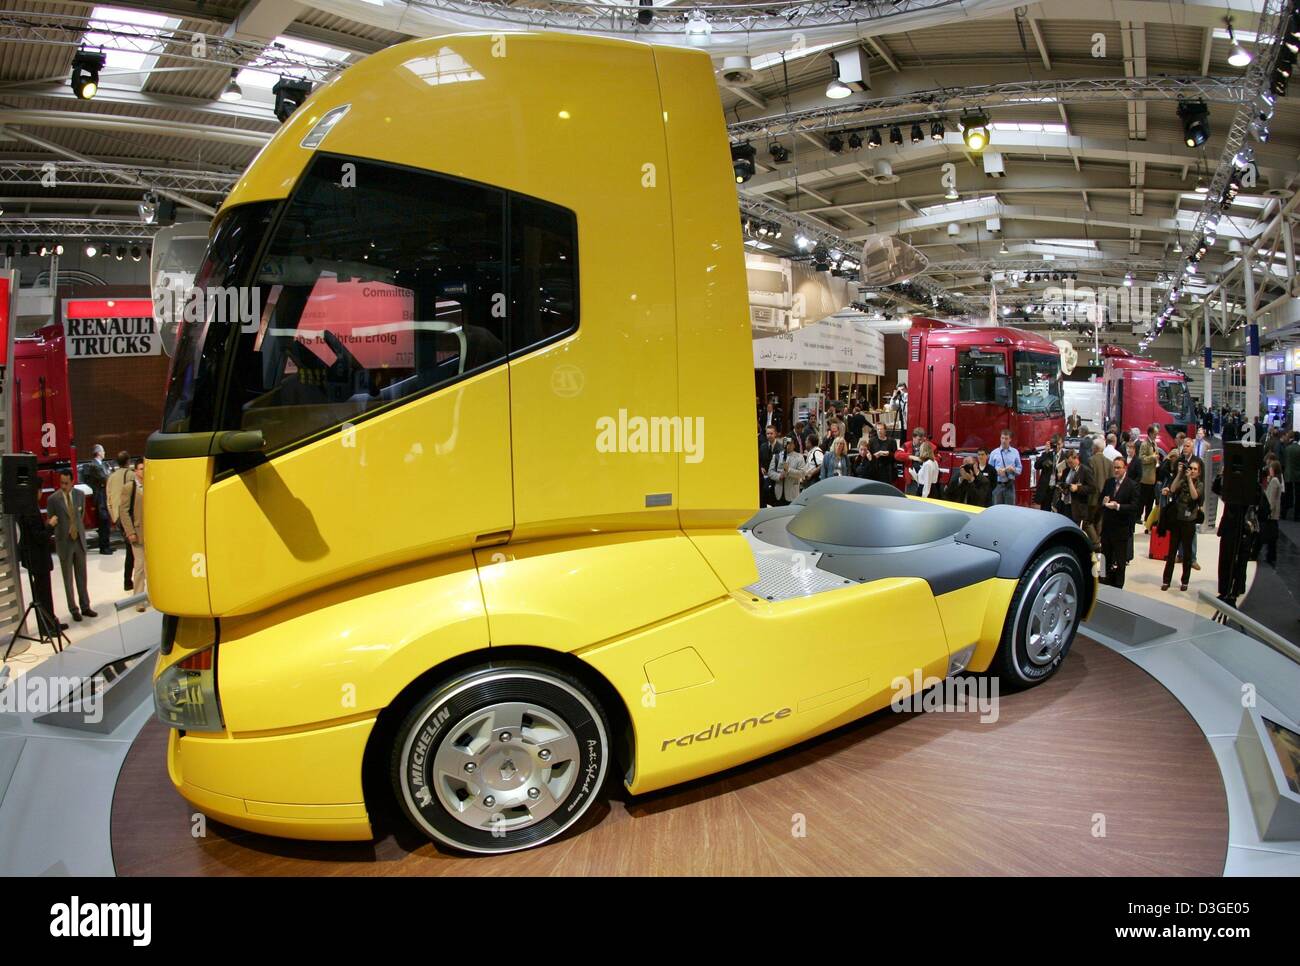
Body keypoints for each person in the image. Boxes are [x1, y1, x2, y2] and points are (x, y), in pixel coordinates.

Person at [45, 471, 97, 623]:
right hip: (64, 543)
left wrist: (76, 529)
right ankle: (73, 609)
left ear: (72, 481)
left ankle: (85, 606)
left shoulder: (80, 495)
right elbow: (52, 521)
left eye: (66, 483)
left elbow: (80, 517)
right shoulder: (53, 499)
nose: (64, 486)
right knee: (67, 579)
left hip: (78, 541)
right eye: (62, 483)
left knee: (82, 576)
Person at [15, 510, 66, 636]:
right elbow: (39, 536)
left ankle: (50, 622)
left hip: (34, 558)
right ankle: (47, 627)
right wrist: (50, 525)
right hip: (37, 558)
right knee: (43, 594)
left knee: (43, 593)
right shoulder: (29, 512)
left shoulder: (25, 510)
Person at [1160, 457, 1204, 592]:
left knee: (1187, 554)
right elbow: (1172, 489)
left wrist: (1190, 480)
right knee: (1172, 551)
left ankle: (1185, 581)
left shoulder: (1200, 484)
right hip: (1177, 520)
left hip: (1189, 522)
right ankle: (1166, 580)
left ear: (1199, 472)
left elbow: (1195, 496)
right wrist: (1179, 474)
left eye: (1195, 469)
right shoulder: (1182, 479)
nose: (1193, 471)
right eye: (1191, 468)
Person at [1099, 456, 1141, 588]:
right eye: (1114, 467)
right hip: (1107, 528)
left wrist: (1118, 506)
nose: (1116, 470)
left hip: (1121, 529)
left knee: (1120, 561)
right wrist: (1104, 502)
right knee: (1105, 558)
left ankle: (1118, 586)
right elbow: (1101, 500)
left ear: (1125, 468)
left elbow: (1135, 507)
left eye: (1119, 467)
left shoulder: (1132, 485)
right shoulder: (1109, 482)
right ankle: (1104, 581)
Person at [119, 459, 148, 610]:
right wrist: (130, 531)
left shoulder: (152, 485)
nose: (143, 471)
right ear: (136, 471)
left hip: (152, 534)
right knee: (140, 567)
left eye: (145, 468)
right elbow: (123, 511)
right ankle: (138, 600)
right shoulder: (129, 488)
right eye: (141, 469)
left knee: (151, 568)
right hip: (137, 533)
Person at [107, 450, 135, 591]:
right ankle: (128, 581)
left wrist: (114, 516)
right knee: (132, 549)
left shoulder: (111, 477)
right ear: (128, 461)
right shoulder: (130, 474)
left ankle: (128, 580)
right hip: (128, 516)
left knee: (130, 548)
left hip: (118, 517)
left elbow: (109, 499)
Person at [82, 443, 113, 554]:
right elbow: (105, 478)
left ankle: (107, 544)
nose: (104, 453)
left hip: (105, 496)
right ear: (99, 452)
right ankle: (103, 547)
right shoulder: (94, 466)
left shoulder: (104, 465)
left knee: (107, 522)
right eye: (103, 451)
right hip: (99, 498)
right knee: (103, 522)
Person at [1062, 448, 1094, 534]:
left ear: (1076, 458)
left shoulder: (1085, 470)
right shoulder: (1066, 470)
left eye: (1071, 462)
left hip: (1078, 507)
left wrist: (1078, 488)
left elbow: (1092, 488)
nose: (1069, 465)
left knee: (1077, 532)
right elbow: (1063, 483)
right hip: (1066, 505)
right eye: (1068, 463)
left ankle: (1096, 544)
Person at [988, 430, 1022, 505]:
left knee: (1010, 509)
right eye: (1002, 438)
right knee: (997, 509)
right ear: (1000, 438)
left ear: (1010, 439)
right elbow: (989, 471)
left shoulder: (1015, 452)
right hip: (997, 486)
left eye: (1006, 438)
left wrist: (1013, 470)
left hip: (1010, 485)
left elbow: (1019, 469)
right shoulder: (994, 453)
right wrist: (997, 472)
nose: (1004, 441)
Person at [1260, 462, 1283, 567]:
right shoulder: (1276, 480)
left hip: (1271, 513)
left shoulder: (1274, 481)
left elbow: (1271, 499)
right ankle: (1271, 556)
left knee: (1270, 536)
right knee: (1272, 537)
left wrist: (1268, 511)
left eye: (1270, 468)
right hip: (1274, 513)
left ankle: (1270, 556)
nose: (1269, 470)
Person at [1138, 426, 1161, 527]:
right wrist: (1152, 458)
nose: (1157, 434)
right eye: (1155, 433)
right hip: (1146, 477)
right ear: (1151, 433)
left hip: (1153, 476)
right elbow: (1141, 458)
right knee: (1143, 498)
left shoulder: (1154, 443)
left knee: (1150, 500)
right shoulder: (1145, 444)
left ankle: (1148, 517)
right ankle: (1138, 516)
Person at [1034, 434, 1063, 512]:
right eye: (1055, 444)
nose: (1057, 447)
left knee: (1057, 511)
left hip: (1057, 489)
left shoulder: (1065, 456)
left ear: (1062, 444)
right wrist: (1045, 452)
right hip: (1046, 488)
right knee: (1045, 511)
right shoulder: (1047, 454)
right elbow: (1036, 466)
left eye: (1059, 444)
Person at [1283, 432, 1300, 522]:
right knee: (1298, 496)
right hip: (1298, 476)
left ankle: (1284, 513)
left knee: (1287, 495)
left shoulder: (1287, 448)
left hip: (1288, 474)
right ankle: (1296, 516)